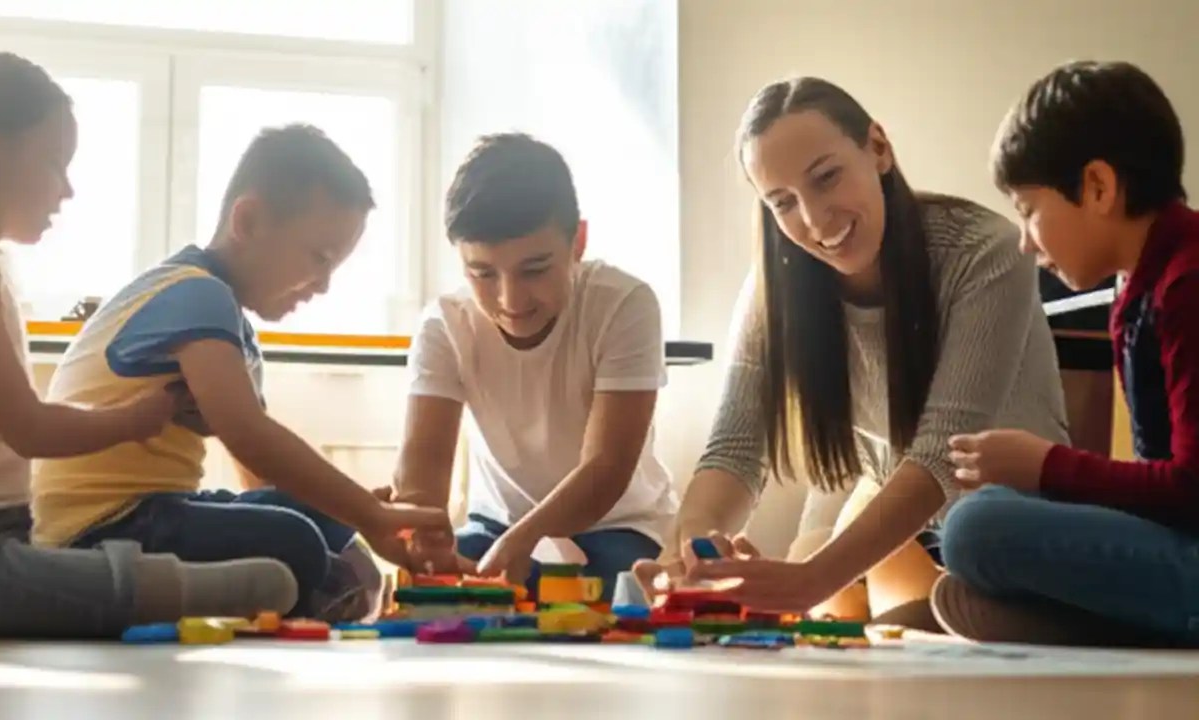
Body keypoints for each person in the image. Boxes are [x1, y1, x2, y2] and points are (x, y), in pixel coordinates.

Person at [637, 77, 1068, 627]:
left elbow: (943, 454)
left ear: (878, 149)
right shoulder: (776, 287)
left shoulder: (985, 252)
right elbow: (735, 449)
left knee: (848, 594)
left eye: (827, 177)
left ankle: (943, 607)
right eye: (783, 202)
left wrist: (812, 579)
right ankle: (907, 605)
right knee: (816, 573)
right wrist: (690, 560)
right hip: (891, 521)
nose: (816, 220)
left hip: (999, 518)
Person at [0, 51, 298, 637]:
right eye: (53, 163)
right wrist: (133, 420)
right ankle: (182, 590)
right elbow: (29, 427)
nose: (66, 190)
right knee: (250, 581)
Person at [31, 124, 450, 621]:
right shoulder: (195, 293)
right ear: (248, 221)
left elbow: (259, 477)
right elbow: (249, 435)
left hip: (150, 511)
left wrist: (349, 512)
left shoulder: (228, 321)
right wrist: (366, 511)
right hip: (99, 527)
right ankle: (303, 597)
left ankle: (314, 592)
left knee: (304, 518)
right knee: (294, 539)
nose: (323, 285)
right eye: (319, 258)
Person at [935, 61, 1199, 646]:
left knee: (978, 527)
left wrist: (1048, 466)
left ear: (1098, 187)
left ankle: (1096, 621)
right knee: (985, 511)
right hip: (1182, 539)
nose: (1026, 241)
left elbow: (1190, 490)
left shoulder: (1187, 283)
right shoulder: (1138, 285)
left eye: (1028, 210)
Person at [387, 134, 678, 600]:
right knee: (435, 596)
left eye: (534, 269)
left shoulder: (624, 303)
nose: (510, 300)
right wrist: (428, 539)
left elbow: (607, 467)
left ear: (577, 242)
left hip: (618, 525)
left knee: (612, 599)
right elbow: (422, 467)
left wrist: (525, 539)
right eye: (482, 273)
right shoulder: (445, 324)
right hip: (494, 524)